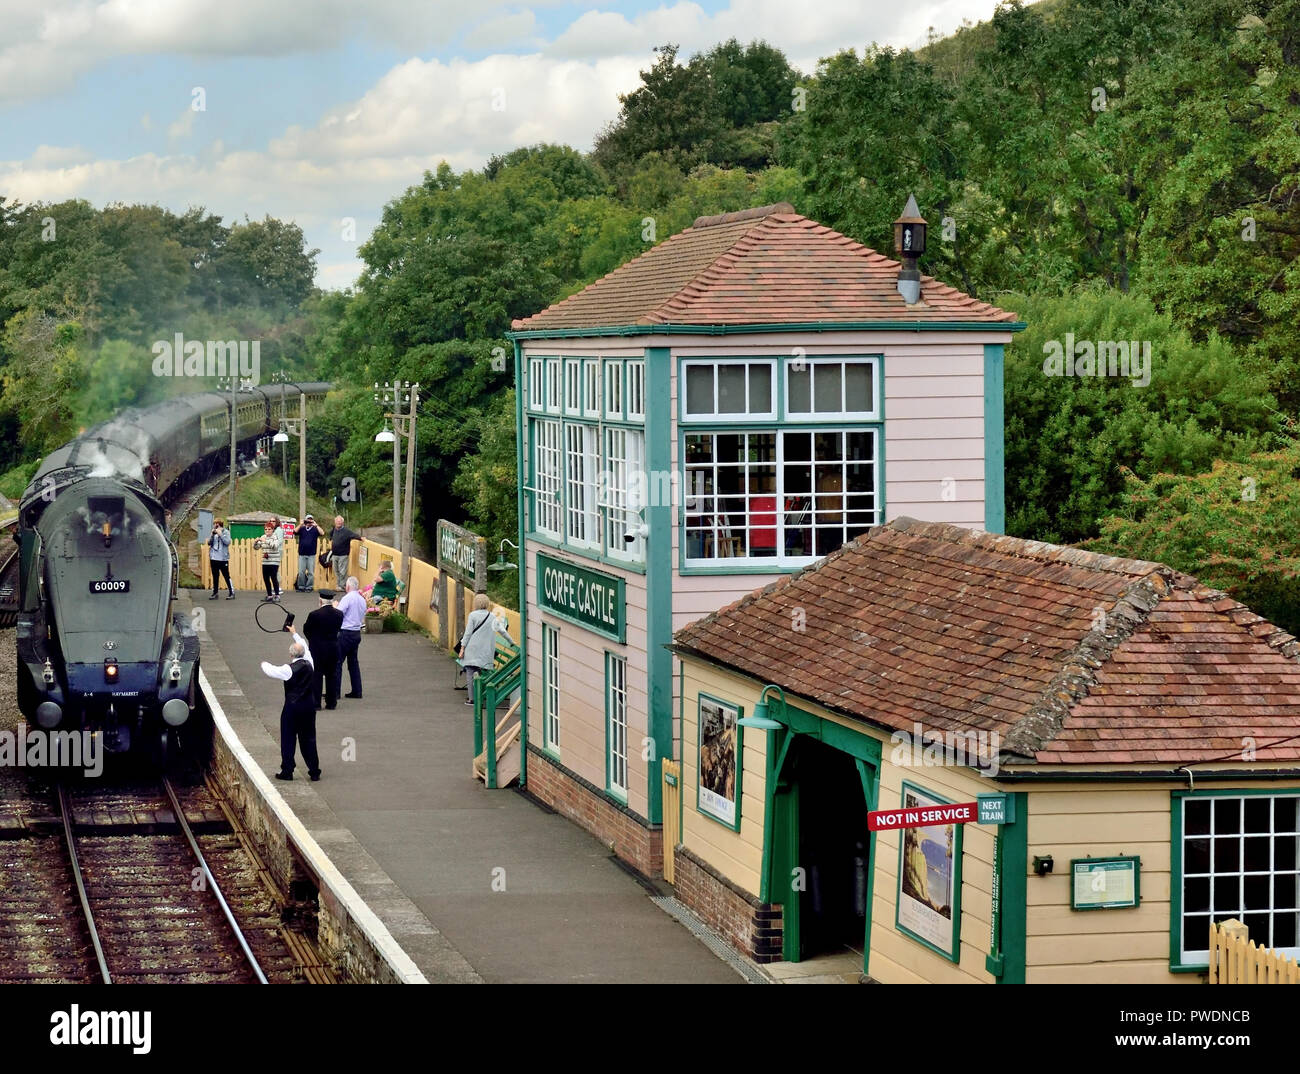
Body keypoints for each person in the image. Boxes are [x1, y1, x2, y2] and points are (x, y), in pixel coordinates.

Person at [260, 624, 320, 781]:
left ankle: (287, 770)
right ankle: (314, 770)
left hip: (292, 708)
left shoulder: (288, 670)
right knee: (309, 738)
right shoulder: (310, 663)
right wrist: (294, 633)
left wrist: (263, 663)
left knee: (288, 738)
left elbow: (270, 670)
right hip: (308, 706)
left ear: (291, 654)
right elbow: (305, 647)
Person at [458, 593, 515, 708]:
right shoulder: (492, 617)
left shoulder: (473, 616)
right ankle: (481, 695)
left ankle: (472, 699)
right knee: (480, 672)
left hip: (472, 649)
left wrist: (462, 648)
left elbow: (468, 633)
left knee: (470, 672)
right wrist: (511, 641)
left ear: (476, 603)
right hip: (486, 652)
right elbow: (502, 631)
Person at [303, 589, 343, 710]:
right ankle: (331, 702)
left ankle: (316, 703)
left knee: (317, 675)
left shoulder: (314, 614)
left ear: (320, 600)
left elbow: (307, 629)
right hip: (333, 647)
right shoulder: (339, 614)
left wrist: (313, 640)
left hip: (318, 648)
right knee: (332, 674)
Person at [335, 576, 366, 700]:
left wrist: (336, 605)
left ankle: (335, 692)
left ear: (347, 587)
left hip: (346, 633)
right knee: (353, 663)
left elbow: (338, 613)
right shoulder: (361, 599)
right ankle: (357, 690)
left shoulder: (347, 598)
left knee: (337, 662)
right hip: (356, 633)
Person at [254, 517, 284, 602]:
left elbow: (275, 546)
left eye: (269, 529)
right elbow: (256, 548)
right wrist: (256, 542)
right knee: (266, 578)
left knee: (274, 578)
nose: (267, 531)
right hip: (265, 561)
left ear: (272, 530)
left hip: (274, 561)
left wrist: (266, 541)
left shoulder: (275, 537)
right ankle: (269, 595)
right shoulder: (263, 536)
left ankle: (277, 595)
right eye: (266, 529)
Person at [329, 515, 359, 591]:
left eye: (340, 521)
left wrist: (361, 538)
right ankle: (339, 585)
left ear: (342, 522)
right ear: (335, 522)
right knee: (336, 571)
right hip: (335, 554)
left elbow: (354, 535)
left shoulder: (346, 531)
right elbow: (331, 536)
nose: (338, 523)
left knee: (342, 571)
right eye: (337, 521)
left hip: (343, 554)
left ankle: (341, 586)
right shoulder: (334, 530)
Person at [208, 519, 234, 599]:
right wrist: (212, 535)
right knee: (215, 576)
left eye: (216, 524)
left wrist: (221, 535)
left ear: (220, 525)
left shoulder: (226, 532)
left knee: (226, 575)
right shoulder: (214, 533)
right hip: (214, 557)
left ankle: (231, 592)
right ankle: (215, 593)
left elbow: (227, 542)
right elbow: (209, 543)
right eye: (214, 524)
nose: (215, 526)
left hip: (223, 558)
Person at [296, 515, 323, 590]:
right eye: (308, 520)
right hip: (302, 553)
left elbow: (322, 533)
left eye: (310, 520)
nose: (309, 521)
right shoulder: (302, 528)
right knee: (301, 571)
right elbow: (294, 531)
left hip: (311, 554)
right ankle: (301, 586)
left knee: (311, 572)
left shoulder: (315, 529)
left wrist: (316, 525)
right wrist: (301, 524)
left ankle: (309, 586)